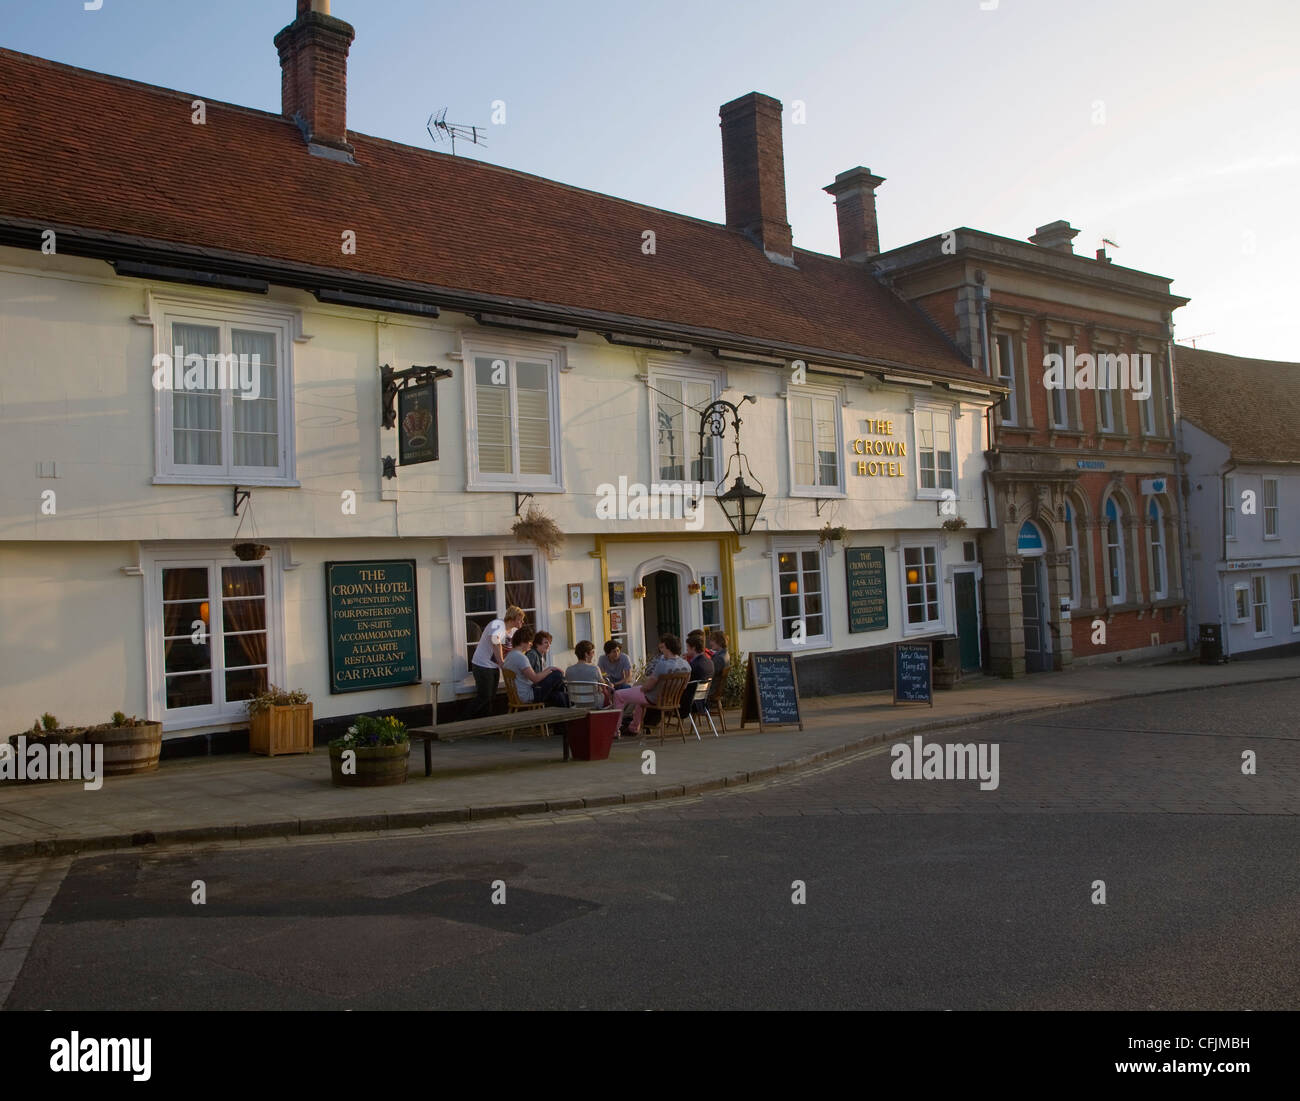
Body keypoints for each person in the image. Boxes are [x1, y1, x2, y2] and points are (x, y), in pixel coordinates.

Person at [612, 633, 689, 736]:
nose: (661, 650)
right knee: (639, 701)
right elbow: (684, 686)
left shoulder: (662, 665)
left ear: (668, 647)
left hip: (653, 698)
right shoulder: (686, 665)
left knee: (618, 695)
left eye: (662, 647)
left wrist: (642, 688)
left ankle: (615, 731)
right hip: (671, 700)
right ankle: (634, 728)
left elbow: (648, 686)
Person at [468, 605, 524, 718]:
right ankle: (461, 722)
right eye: (520, 619)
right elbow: (495, 641)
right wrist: (502, 663)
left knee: (491, 697)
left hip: (493, 666)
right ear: (513, 618)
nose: (522, 622)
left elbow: (513, 649)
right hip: (482, 665)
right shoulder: (498, 624)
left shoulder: (512, 631)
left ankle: (486, 723)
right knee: (484, 697)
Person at [503, 627, 569, 707]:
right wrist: (550, 669)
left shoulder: (509, 655)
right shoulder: (520, 657)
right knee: (557, 674)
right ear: (523, 641)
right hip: (527, 695)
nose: (531, 644)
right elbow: (535, 678)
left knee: (558, 695)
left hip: (518, 694)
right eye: (530, 641)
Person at [565, 640, 614, 707]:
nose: (593, 655)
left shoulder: (568, 670)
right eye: (592, 652)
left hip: (577, 703)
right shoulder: (594, 669)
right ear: (586, 654)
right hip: (595, 703)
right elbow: (603, 686)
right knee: (608, 690)